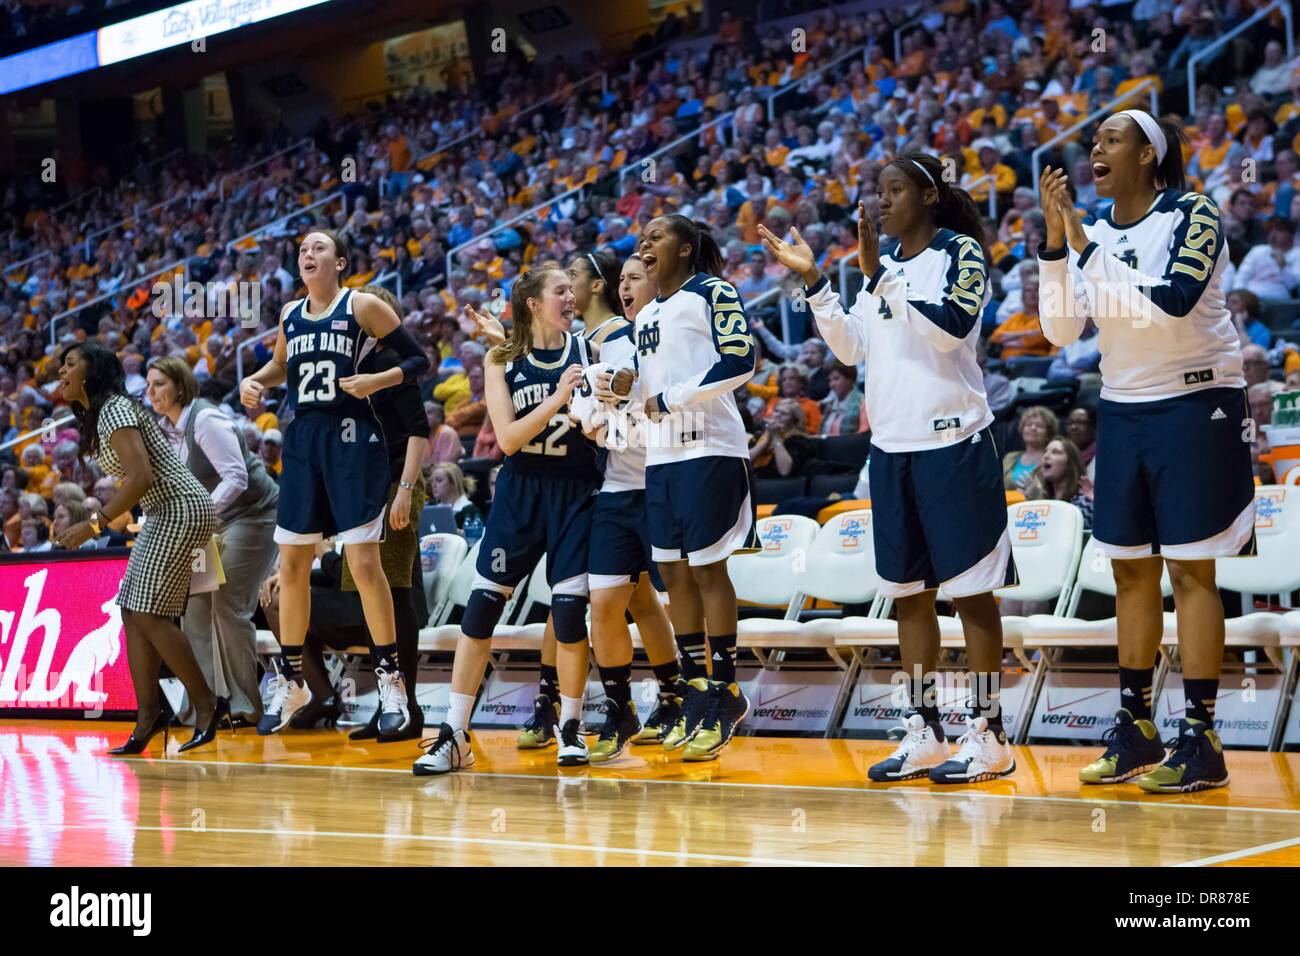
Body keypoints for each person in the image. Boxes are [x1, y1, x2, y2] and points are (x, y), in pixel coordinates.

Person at [762, 150, 1017, 786]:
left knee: (972, 596)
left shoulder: (958, 253)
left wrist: (881, 279)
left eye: (896, 190)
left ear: (929, 197)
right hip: (892, 450)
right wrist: (819, 282)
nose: (882, 201)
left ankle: (988, 734)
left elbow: (951, 329)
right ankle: (924, 731)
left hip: (955, 442)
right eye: (878, 191)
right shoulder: (880, 271)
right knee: (908, 598)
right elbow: (851, 347)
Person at [1039, 108, 1255, 793]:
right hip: (1125, 405)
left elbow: (1173, 302)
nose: (1094, 148)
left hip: (1197, 401)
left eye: (1111, 139)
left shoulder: (1193, 212)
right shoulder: (1090, 230)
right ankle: (1134, 728)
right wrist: (1055, 243)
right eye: (1093, 140)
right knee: (1132, 572)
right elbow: (1060, 328)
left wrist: (1087, 249)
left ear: (1148, 155)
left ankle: (1202, 737)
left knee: (1192, 573)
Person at [238, 229, 430, 737]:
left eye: (319, 247)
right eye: (302, 248)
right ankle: (296, 680)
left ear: (340, 261)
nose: (307, 253)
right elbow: (282, 365)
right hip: (304, 441)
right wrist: (255, 379)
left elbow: (417, 361)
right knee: (293, 565)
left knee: (366, 565)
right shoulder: (289, 314)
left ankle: (392, 682)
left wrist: (375, 382)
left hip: (352, 441)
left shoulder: (362, 305)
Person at [414, 268, 599, 775]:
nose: (570, 295)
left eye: (571, 287)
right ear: (536, 304)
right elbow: (510, 438)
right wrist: (560, 397)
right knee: (478, 613)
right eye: (560, 289)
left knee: (566, 616)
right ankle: (453, 733)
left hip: (576, 492)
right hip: (520, 492)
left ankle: (571, 728)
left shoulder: (588, 350)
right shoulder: (501, 359)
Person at [54, 343, 223, 756]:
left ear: (92, 373)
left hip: (179, 508)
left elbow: (140, 476)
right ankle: (149, 716)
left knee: (147, 611)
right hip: (165, 510)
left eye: (71, 364)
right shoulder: (102, 412)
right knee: (132, 610)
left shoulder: (114, 407)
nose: (61, 370)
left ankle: (207, 705)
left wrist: (92, 525)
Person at [633, 215, 758, 762]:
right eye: (643, 236)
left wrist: (674, 398)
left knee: (709, 569)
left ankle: (727, 689)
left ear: (684, 249)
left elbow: (741, 359)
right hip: (661, 455)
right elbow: (647, 386)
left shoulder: (713, 290)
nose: (645, 242)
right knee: (673, 574)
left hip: (710, 448)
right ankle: (693, 689)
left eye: (656, 235)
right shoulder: (645, 314)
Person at [147, 357, 279, 727]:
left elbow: (236, 478)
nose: (151, 392)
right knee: (194, 609)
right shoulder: (166, 429)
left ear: (179, 386)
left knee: (226, 602)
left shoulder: (206, 419)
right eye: (149, 384)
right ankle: (203, 705)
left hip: (255, 514)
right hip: (211, 522)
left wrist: (197, 514)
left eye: (159, 383)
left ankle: (246, 705)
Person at [750, 399, 816, 477]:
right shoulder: (761, 434)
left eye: (784, 414)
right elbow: (744, 462)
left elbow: (784, 471)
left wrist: (776, 438)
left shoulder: (799, 440)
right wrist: (766, 440)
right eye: (776, 411)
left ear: (795, 420)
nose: (777, 415)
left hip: (778, 484)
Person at [1002, 406, 1057, 490]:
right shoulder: (1009, 457)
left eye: (1039, 426)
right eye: (1028, 425)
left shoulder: (1052, 460)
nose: (1033, 428)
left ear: (1048, 433)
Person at [427, 461, 482, 533]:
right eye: (432, 481)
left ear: (453, 483)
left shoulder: (470, 511)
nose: (433, 485)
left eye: (439, 480)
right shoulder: (431, 508)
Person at [820, 361, 864, 435]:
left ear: (850, 379)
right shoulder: (829, 403)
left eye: (836, 379)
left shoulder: (862, 402)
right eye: (830, 380)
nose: (832, 384)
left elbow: (863, 435)